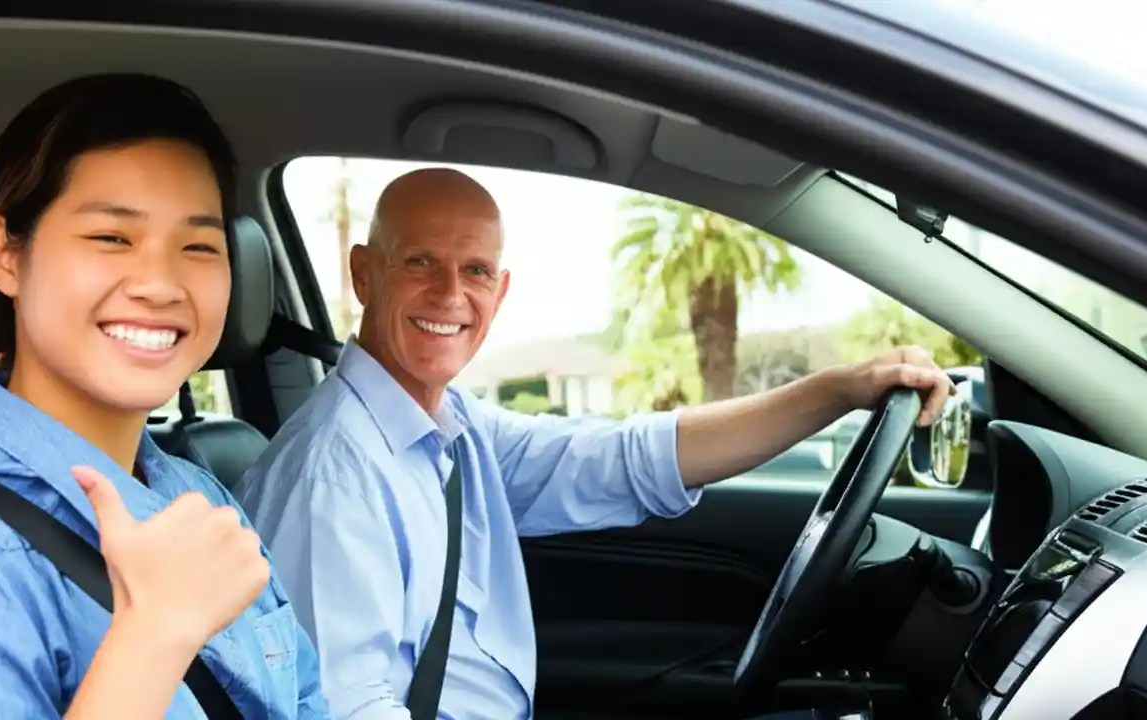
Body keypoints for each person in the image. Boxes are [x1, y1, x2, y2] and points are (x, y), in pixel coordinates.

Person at [236, 168, 954, 720]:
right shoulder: (332, 476)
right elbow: (340, 708)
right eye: (419, 262)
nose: (451, 293)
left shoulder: (450, 430)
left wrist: (834, 391)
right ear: (365, 273)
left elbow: (625, 459)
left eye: (476, 270)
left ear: (502, 287)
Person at [0, 74, 329, 718]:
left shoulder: (199, 495)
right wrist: (152, 638)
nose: (160, 283)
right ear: (6, 256)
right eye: (111, 238)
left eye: (198, 246)